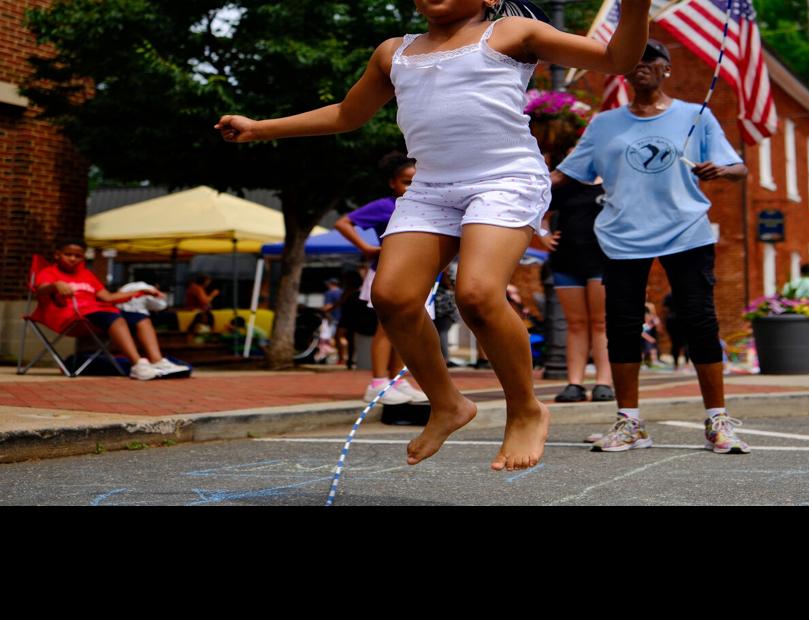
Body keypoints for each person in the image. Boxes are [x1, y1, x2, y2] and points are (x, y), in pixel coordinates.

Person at [218, 0, 650, 471]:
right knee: (392, 297)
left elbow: (616, 60)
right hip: (431, 186)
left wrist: (636, 8)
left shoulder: (511, 33)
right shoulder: (393, 52)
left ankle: (525, 407)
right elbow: (348, 113)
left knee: (479, 293)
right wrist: (260, 129)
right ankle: (448, 403)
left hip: (505, 178)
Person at [555, 37, 752, 454]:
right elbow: (569, 175)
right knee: (622, 328)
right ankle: (630, 423)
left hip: (686, 230)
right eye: (634, 59)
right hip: (622, 235)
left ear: (666, 69)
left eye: (651, 58)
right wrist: (517, 183)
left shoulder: (695, 115)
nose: (641, 64)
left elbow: (740, 167)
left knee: (700, 322)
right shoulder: (604, 124)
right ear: (623, 70)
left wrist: (722, 170)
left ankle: (717, 419)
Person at [333, 152, 427, 405]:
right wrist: (366, 248)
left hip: (416, 276)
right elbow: (343, 222)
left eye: (418, 182)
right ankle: (377, 383)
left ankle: (398, 380)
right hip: (387, 273)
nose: (412, 188)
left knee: (407, 330)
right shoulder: (385, 206)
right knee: (386, 328)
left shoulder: (423, 205)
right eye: (407, 182)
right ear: (392, 183)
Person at [31, 240, 186, 380]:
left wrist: (142, 292)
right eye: (68, 254)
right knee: (114, 317)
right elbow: (39, 290)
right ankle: (138, 365)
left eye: (78, 256)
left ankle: (157, 361)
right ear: (57, 255)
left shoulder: (86, 274)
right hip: (72, 316)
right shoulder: (49, 273)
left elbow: (108, 297)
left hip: (98, 312)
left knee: (140, 317)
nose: (73, 258)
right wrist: (55, 285)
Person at [547, 159, 614, 402]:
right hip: (567, 260)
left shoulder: (611, 183)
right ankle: (574, 383)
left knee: (600, 323)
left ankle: (603, 382)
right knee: (575, 324)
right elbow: (540, 213)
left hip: (602, 260)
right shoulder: (565, 185)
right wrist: (544, 236)